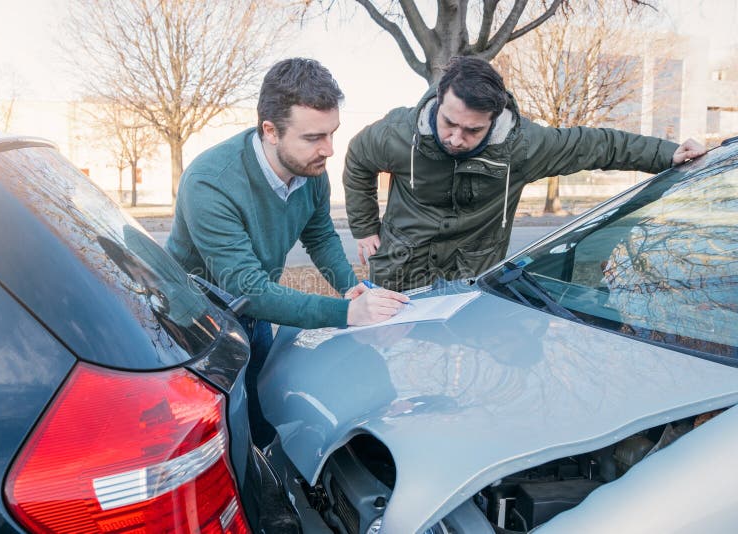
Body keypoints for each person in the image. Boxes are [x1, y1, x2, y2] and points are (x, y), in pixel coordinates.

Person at [165, 58, 409, 447]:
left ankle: (269, 473)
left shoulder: (310, 170)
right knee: (219, 427)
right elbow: (250, 288)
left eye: (332, 134)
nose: (329, 150)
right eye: (314, 137)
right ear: (271, 131)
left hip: (255, 308)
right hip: (196, 324)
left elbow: (321, 235)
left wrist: (352, 288)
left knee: (260, 402)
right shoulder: (210, 182)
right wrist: (347, 314)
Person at [343, 56, 707, 291]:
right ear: (439, 99)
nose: (456, 138)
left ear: (493, 120)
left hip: (471, 276)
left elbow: (597, 144)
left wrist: (666, 153)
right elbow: (358, 159)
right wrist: (363, 228)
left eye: (472, 131)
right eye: (449, 123)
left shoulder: (523, 146)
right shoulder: (396, 133)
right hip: (400, 272)